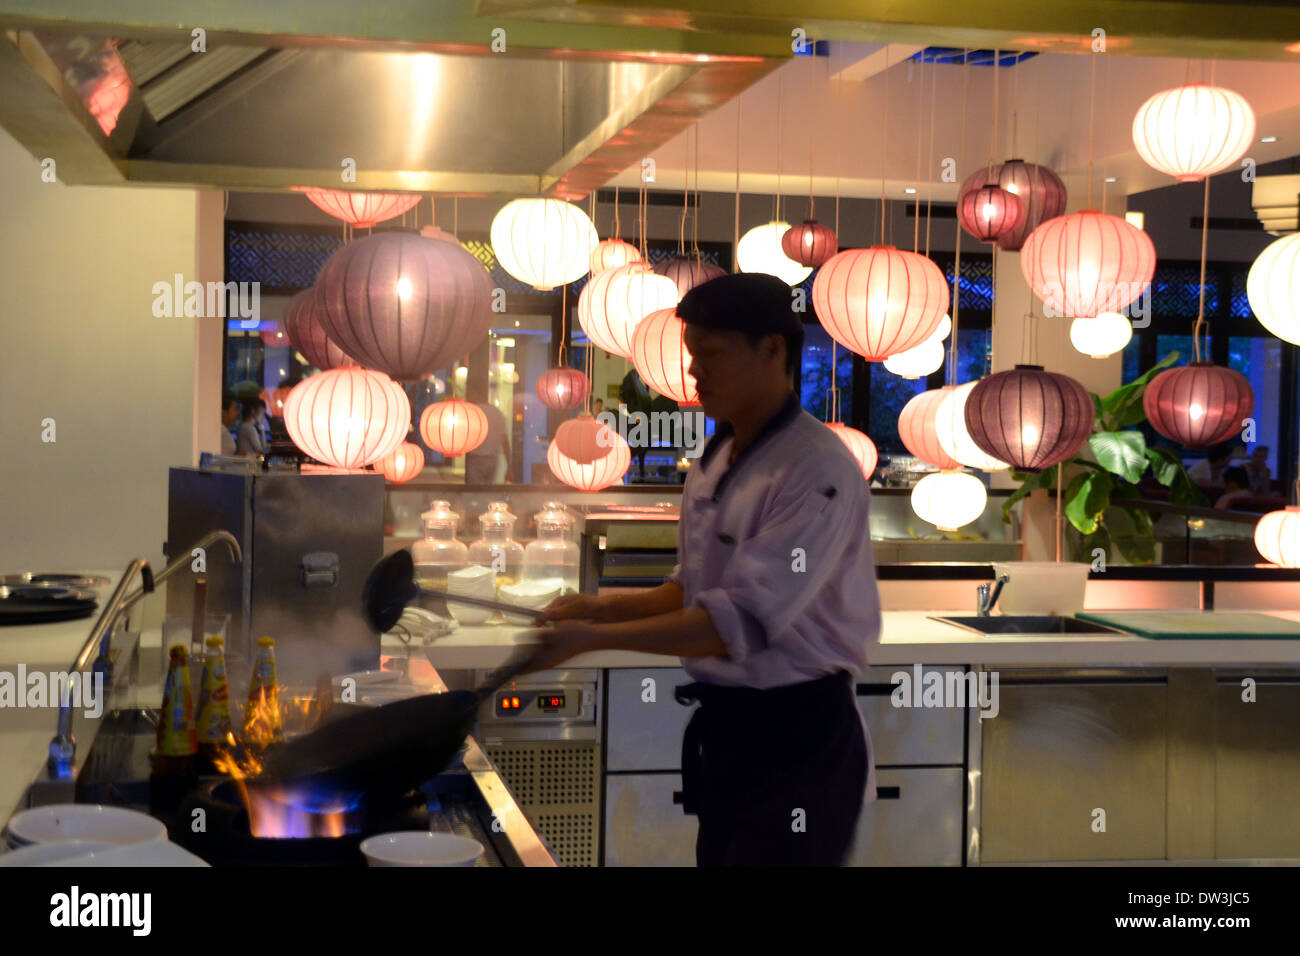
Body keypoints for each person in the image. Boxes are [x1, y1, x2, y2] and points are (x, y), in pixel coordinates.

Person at [532, 272, 881, 867]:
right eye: (694, 356)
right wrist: (597, 606)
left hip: (799, 739)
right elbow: (694, 591)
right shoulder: (717, 458)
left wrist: (590, 640)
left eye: (711, 355)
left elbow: (733, 622)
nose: (694, 373)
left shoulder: (816, 469)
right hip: (729, 737)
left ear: (773, 349)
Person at [464, 400, 510, 484]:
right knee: (488, 490)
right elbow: (505, 441)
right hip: (492, 459)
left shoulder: (472, 412)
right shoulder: (497, 413)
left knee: (473, 491)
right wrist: (509, 466)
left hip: (475, 457)